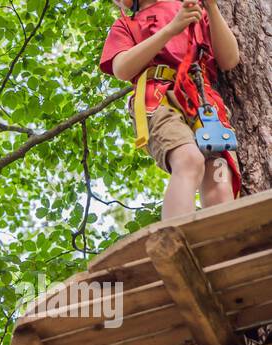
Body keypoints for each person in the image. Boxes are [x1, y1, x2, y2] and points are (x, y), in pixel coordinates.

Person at [100, 0, 242, 220]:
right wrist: (171, 29)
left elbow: (230, 59)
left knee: (219, 173)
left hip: (203, 101)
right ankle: (176, 237)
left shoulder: (194, 11)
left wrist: (212, 7)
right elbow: (122, 68)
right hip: (157, 98)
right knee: (188, 160)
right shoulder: (127, 25)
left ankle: (223, 237)